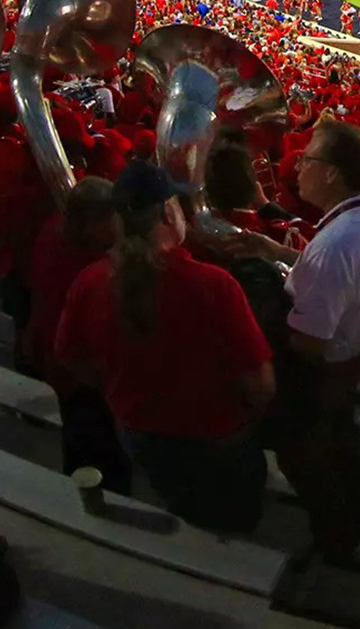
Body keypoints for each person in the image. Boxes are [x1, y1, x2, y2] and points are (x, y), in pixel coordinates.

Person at [53, 160, 274, 534]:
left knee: (179, 505)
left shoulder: (89, 282)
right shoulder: (214, 286)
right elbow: (261, 386)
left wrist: (119, 390)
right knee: (233, 531)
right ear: (169, 213)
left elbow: (70, 358)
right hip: (216, 444)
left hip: (141, 435)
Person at [222, 120, 360, 561]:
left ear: (331, 175)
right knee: (343, 438)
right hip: (353, 356)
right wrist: (277, 252)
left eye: (309, 158)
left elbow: (307, 344)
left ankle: (335, 544)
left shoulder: (334, 246)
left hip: (316, 374)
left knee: (306, 458)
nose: (298, 165)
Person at [25, 177, 132, 493]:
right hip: (82, 372)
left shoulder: (51, 231)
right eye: (113, 218)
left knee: (76, 437)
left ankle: (74, 482)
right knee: (103, 454)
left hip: (56, 360)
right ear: (94, 223)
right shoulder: (94, 271)